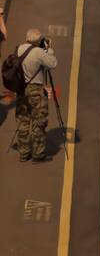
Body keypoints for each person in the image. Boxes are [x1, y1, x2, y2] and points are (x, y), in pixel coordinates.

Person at [13, 29, 58, 162]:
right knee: (39, 121)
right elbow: (53, 63)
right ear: (38, 40)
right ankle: (38, 154)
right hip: (35, 90)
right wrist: (49, 49)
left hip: (21, 89)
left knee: (23, 120)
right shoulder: (38, 52)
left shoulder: (19, 49)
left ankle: (24, 153)